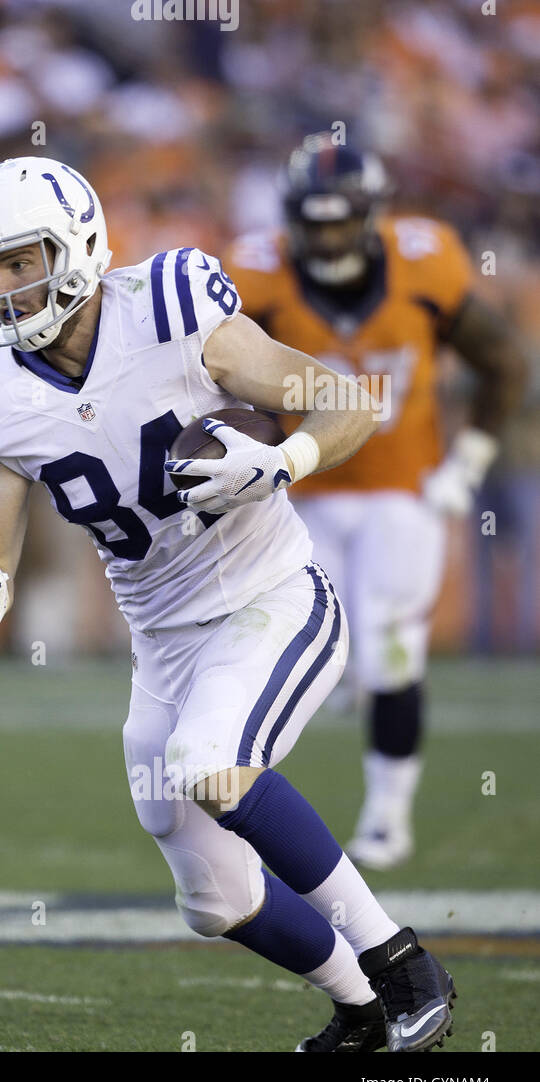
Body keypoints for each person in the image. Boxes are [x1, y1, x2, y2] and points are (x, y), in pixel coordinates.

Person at [0, 156, 454, 1051]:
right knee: (214, 898)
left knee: (213, 762)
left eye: (20, 261)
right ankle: (363, 1010)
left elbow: (342, 400)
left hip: (270, 595)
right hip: (162, 644)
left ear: (79, 247)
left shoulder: (169, 307)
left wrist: (281, 460)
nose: (2, 287)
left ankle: (404, 965)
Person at [226, 136, 527, 869]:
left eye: (341, 220)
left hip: (401, 492)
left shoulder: (425, 262)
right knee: (296, 649)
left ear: (371, 215)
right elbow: (214, 382)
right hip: (300, 493)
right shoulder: (256, 275)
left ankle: (388, 818)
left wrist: (469, 462)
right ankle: (246, 799)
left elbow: (505, 362)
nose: (327, 237)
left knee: (391, 648)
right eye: (314, 221)